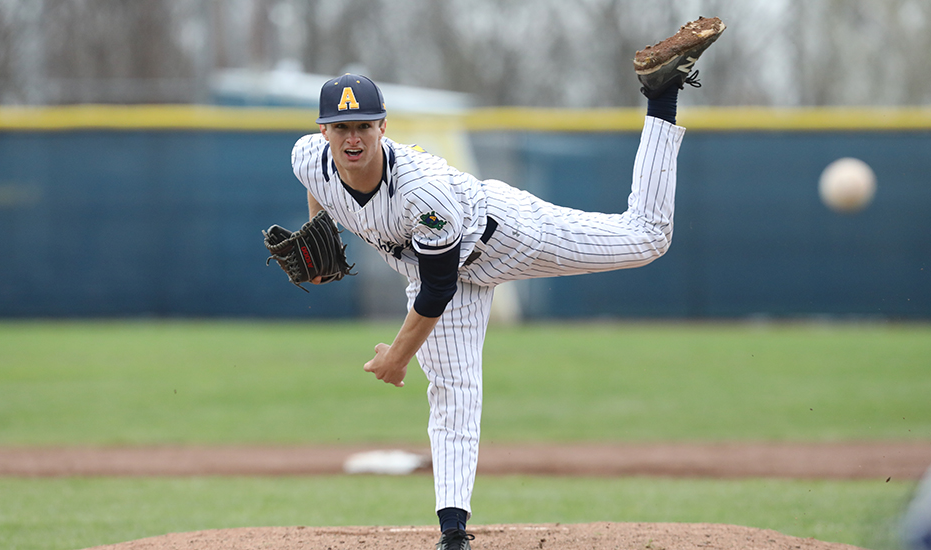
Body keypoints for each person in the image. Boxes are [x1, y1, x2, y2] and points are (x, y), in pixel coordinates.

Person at [289, 17, 725, 550]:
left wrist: (397, 358)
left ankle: (662, 93)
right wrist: (319, 231)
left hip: (503, 238)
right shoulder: (309, 158)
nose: (352, 138)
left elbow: (435, 290)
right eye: (340, 128)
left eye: (364, 127)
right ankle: (453, 533)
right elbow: (315, 184)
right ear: (323, 132)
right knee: (453, 391)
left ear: (384, 127)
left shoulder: (422, 193)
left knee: (648, 238)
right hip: (436, 268)